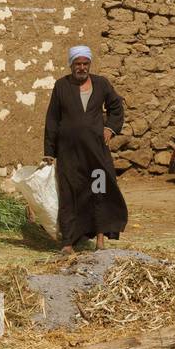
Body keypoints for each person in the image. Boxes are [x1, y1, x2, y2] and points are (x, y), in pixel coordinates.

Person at [43, 45, 128, 254]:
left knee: (99, 191)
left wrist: (110, 128)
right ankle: (68, 243)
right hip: (69, 155)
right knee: (69, 194)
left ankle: (100, 239)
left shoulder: (101, 84)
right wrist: (49, 151)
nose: (81, 67)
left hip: (96, 154)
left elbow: (116, 107)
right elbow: (52, 119)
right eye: (78, 64)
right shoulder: (61, 86)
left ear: (89, 64)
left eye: (85, 64)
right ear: (71, 65)